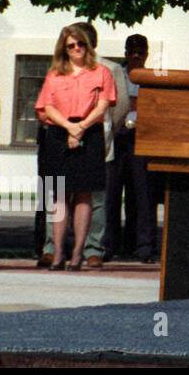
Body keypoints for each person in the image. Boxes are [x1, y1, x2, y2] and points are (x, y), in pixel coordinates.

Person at [40, 22, 129, 270]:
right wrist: (69, 127)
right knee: (59, 195)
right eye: (71, 45)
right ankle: (58, 252)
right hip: (59, 133)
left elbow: (104, 105)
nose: (76, 48)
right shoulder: (54, 74)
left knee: (84, 195)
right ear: (64, 49)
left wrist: (81, 128)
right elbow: (47, 107)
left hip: (90, 134)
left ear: (87, 46)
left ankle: (79, 253)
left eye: (80, 44)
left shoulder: (102, 72)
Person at [106, 34, 158, 262]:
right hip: (118, 136)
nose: (136, 55)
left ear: (146, 53)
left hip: (141, 137)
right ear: (126, 52)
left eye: (140, 51)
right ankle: (109, 245)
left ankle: (142, 246)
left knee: (142, 195)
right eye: (132, 51)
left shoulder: (151, 77)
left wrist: (133, 103)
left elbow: (154, 104)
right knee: (112, 194)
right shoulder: (116, 74)